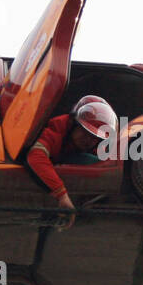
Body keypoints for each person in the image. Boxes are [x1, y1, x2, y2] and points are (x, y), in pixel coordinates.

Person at [25, 95, 118, 229]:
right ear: (73, 123)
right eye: (85, 132)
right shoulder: (56, 129)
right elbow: (35, 157)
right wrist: (62, 196)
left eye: (94, 137)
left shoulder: (95, 148)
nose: (88, 140)